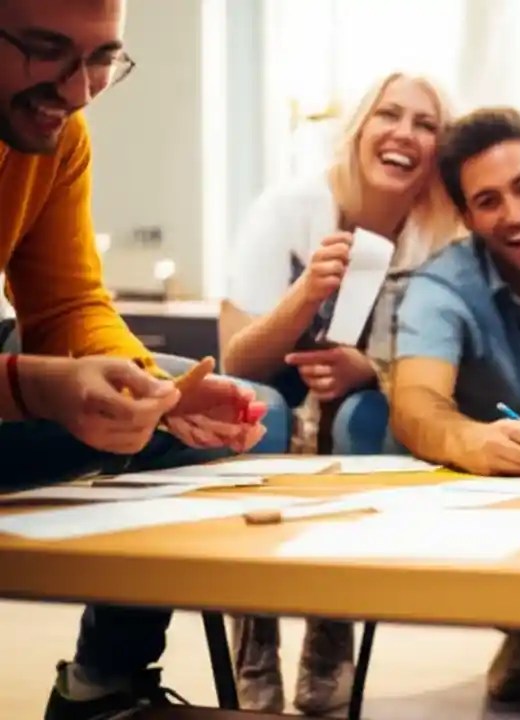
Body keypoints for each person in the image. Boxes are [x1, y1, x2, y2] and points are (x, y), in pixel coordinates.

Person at [0, 1, 268, 717]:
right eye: (46, 49)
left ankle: (100, 688)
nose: (80, 90)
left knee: (204, 420)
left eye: (102, 59)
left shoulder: (58, 136)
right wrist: (35, 390)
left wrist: (158, 394)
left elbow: (67, 308)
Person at [217, 71, 462, 715]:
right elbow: (235, 356)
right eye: (389, 114)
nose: (404, 133)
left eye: (426, 123)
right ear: (360, 129)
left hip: (361, 393)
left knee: (365, 415)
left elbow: (430, 369)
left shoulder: (440, 237)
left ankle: (331, 625)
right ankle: (256, 629)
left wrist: (368, 371)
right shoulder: (288, 208)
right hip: (271, 383)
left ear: (440, 148)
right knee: (257, 409)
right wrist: (304, 297)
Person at [389, 107, 520, 702]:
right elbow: (415, 401)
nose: (515, 215)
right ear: (467, 216)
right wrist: (470, 440)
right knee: (367, 423)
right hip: (501, 450)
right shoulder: (443, 284)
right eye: (488, 201)